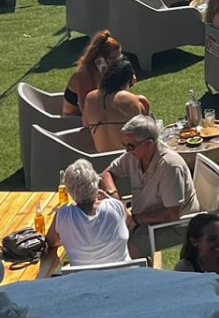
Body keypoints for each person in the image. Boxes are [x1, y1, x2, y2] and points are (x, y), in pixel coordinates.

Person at [100, 115, 192, 257]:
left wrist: (135, 220)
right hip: (143, 218)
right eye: (124, 145)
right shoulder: (134, 155)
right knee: (105, 237)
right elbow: (107, 173)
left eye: (130, 146)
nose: (127, 151)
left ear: (149, 144)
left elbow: (172, 214)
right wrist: (116, 200)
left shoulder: (169, 166)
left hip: (175, 225)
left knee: (126, 250)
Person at [46, 159, 132, 269]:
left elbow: (52, 241)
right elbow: (129, 218)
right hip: (122, 279)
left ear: (71, 192)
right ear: (95, 184)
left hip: (85, 282)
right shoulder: (115, 206)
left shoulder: (63, 216)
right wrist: (108, 197)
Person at [82, 58, 149, 152]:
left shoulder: (89, 98)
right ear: (131, 79)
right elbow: (145, 133)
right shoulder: (135, 100)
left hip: (99, 160)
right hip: (128, 160)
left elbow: (85, 124)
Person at [65, 30, 122, 117]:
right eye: (114, 60)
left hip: (94, 116)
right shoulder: (84, 74)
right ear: (100, 60)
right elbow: (86, 110)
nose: (118, 64)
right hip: (74, 119)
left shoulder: (105, 71)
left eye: (119, 59)